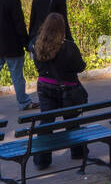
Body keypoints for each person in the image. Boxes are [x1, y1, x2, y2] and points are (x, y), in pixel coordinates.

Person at [31, 13, 87, 170]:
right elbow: (80, 67)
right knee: (71, 120)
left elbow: (38, 67)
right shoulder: (68, 47)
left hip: (44, 87)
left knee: (46, 122)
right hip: (67, 88)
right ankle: (78, 151)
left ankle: (42, 159)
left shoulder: (38, 45)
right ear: (62, 29)